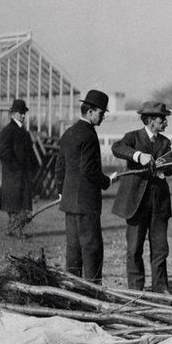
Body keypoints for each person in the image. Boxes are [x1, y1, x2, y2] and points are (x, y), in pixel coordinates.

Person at [111, 101, 172, 292]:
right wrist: (139, 156)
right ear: (149, 120)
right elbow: (117, 148)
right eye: (162, 119)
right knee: (134, 249)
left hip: (158, 204)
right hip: (136, 204)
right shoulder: (132, 137)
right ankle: (135, 290)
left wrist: (165, 165)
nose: (165, 122)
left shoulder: (165, 142)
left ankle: (161, 288)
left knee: (160, 249)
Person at [56, 89, 115, 283]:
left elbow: (60, 167)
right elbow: (89, 169)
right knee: (92, 249)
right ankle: (93, 289)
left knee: (73, 249)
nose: (103, 117)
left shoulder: (69, 133)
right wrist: (107, 181)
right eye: (101, 113)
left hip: (69, 202)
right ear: (90, 112)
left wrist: (60, 192)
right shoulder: (89, 135)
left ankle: (73, 289)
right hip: (86, 203)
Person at [0, 99, 38, 237]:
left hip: (22, 174)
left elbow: (30, 152)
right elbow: (4, 152)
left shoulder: (24, 133)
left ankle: (13, 229)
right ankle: (16, 230)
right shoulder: (8, 131)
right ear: (12, 114)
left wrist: (34, 166)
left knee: (20, 204)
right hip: (13, 174)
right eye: (20, 113)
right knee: (15, 205)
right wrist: (15, 167)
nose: (23, 116)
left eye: (24, 113)